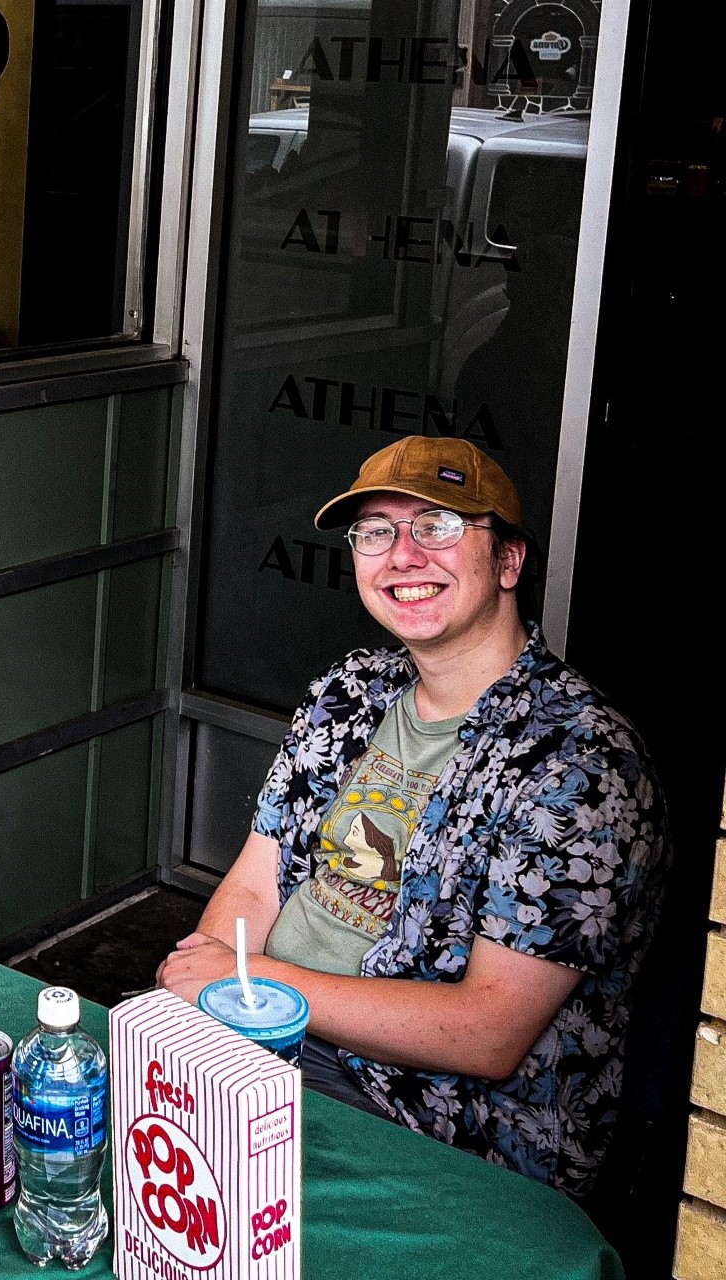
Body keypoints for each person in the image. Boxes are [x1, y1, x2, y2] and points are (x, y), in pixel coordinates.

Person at [156, 436, 664, 1199]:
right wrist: (206, 984)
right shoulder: (352, 690)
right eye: (376, 532)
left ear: (510, 562)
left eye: (440, 526)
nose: (402, 556)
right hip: (266, 1025)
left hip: (425, 1109)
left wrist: (247, 983)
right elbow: (256, 885)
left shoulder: (583, 764)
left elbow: (488, 1032)